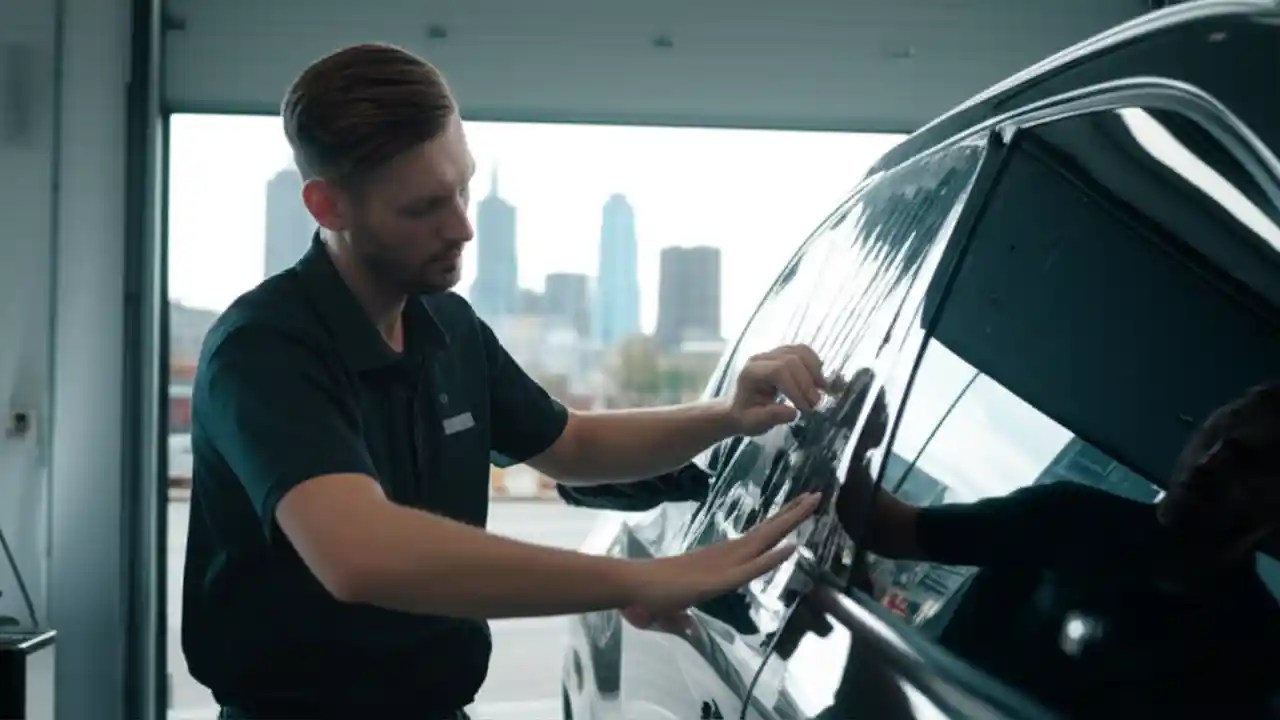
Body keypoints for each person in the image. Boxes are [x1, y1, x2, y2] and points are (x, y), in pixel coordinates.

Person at [181, 43, 829, 720]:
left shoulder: (448, 326)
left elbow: (571, 444)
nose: (461, 225)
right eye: (423, 207)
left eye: (462, 186)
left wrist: (725, 414)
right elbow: (361, 553)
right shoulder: (265, 350)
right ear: (328, 206)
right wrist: (643, 579)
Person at [833, 381, 1280, 716]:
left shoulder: (1256, 651)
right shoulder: (1071, 515)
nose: (1208, 462)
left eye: (1243, 460)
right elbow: (888, 529)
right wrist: (853, 442)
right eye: (1210, 436)